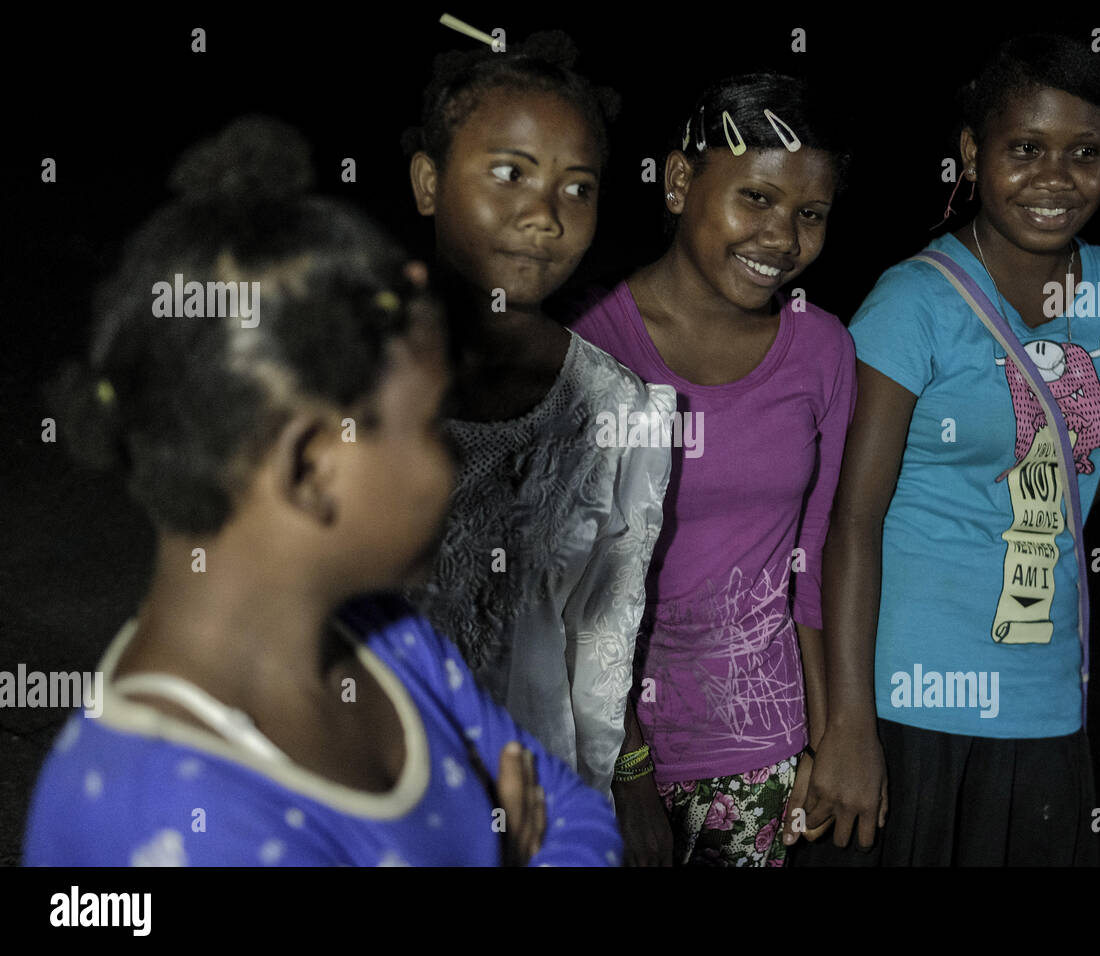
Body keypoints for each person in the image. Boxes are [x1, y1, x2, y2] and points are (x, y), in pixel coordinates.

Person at [23, 116, 620, 866]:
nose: (458, 456)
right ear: (312, 468)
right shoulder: (155, 825)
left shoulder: (384, 639)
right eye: (434, 425)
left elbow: (572, 811)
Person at [801, 33, 1100, 865]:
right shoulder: (912, 305)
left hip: (1046, 696)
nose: (1056, 178)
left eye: (1086, 151)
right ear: (972, 153)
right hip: (908, 700)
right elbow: (851, 522)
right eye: (1025, 149)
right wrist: (849, 727)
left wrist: (1095, 484)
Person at [569, 73, 855, 866]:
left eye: (810, 215)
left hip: (760, 755)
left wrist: (825, 744)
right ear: (680, 181)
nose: (782, 239)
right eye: (756, 199)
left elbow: (816, 557)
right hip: (606, 752)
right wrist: (628, 774)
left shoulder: (822, 348)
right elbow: (570, 586)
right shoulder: (590, 343)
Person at [401, 30, 674, 801]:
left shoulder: (617, 410)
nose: (546, 216)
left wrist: (600, 798)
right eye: (508, 173)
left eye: (578, 187)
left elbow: (601, 638)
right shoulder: (337, 376)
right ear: (428, 181)